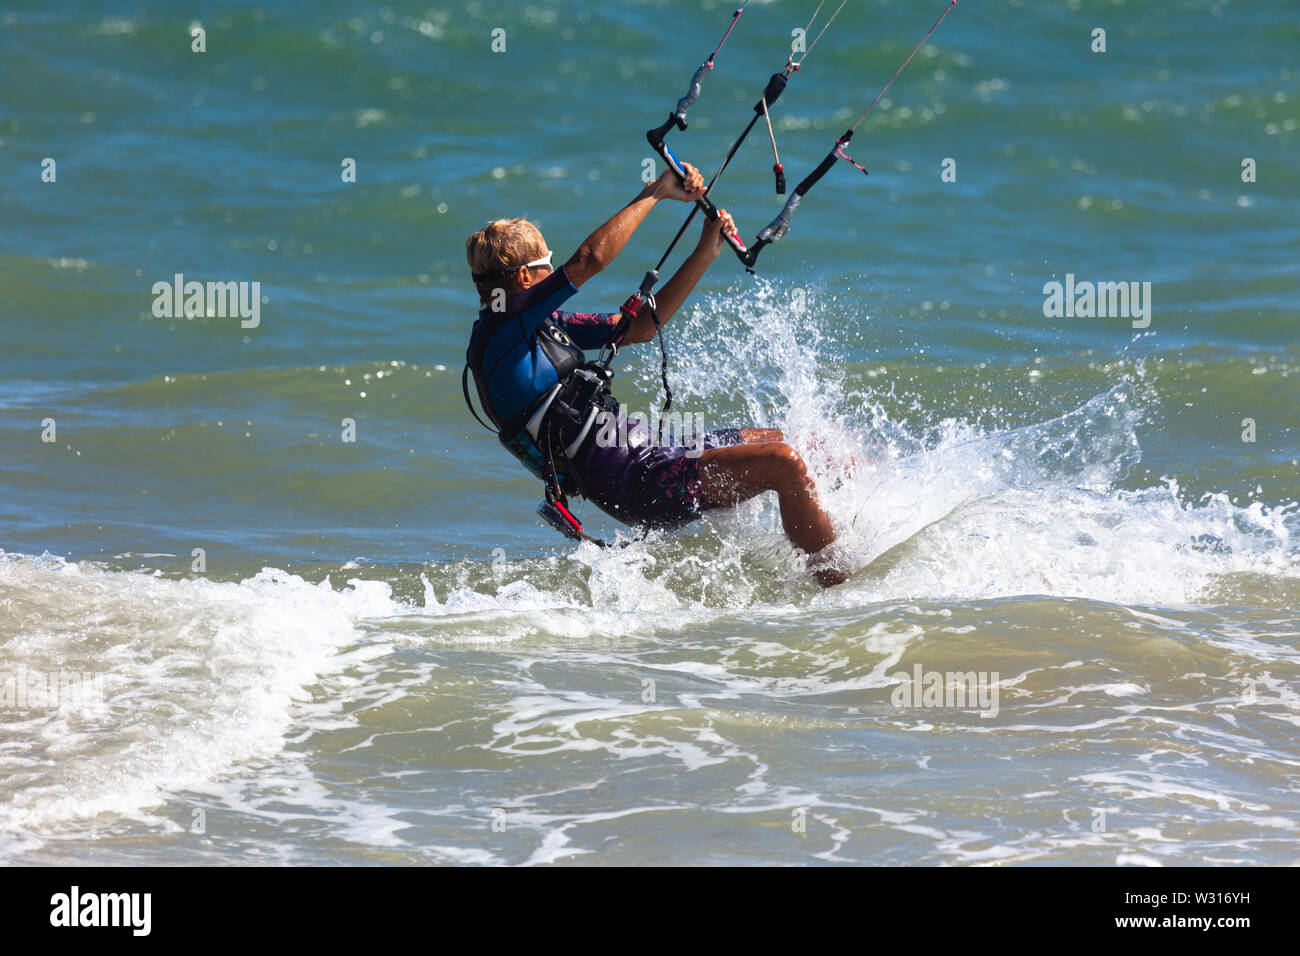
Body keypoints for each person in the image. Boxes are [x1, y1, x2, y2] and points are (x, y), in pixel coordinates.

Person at [463, 163, 847, 587]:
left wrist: (705, 250)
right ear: (522, 278)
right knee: (783, 463)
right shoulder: (500, 334)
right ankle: (842, 590)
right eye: (547, 265)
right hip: (641, 486)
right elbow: (590, 259)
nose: (554, 274)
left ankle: (867, 522)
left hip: (661, 455)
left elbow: (643, 327)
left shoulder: (538, 327)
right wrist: (657, 191)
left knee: (803, 441)